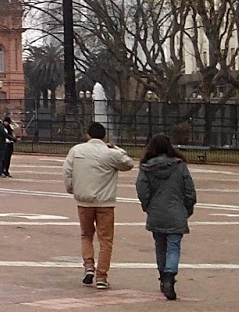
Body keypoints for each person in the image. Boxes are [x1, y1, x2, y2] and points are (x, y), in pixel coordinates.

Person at [63, 122, 136, 290]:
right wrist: (116, 148)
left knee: (86, 235)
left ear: (88, 135)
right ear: (104, 137)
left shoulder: (76, 150)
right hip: (105, 201)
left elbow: (67, 171)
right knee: (106, 240)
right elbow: (128, 163)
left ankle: (88, 266)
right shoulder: (110, 153)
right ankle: (102, 276)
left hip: (84, 200)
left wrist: (71, 188)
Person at [136, 134, 197, 301]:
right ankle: (170, 274)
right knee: (174, 246)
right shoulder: (180, 166)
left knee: (160, 246)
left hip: (156, 212)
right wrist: (187, 208)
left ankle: (163, 275)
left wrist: (148, 206)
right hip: (177, 211)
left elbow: (141, 189)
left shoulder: (146, 167)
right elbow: (189, 190)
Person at [0, 112, 17, 176]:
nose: (6, 123)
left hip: (10, 144)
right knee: (4, 158)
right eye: (5, 121)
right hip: (4, 144)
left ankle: (6, 170)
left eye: (7, 122)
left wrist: (13, 139)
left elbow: (16, 126)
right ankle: (2, 170)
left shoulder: (10, 128)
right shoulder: (2, 128)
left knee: (8, 158)